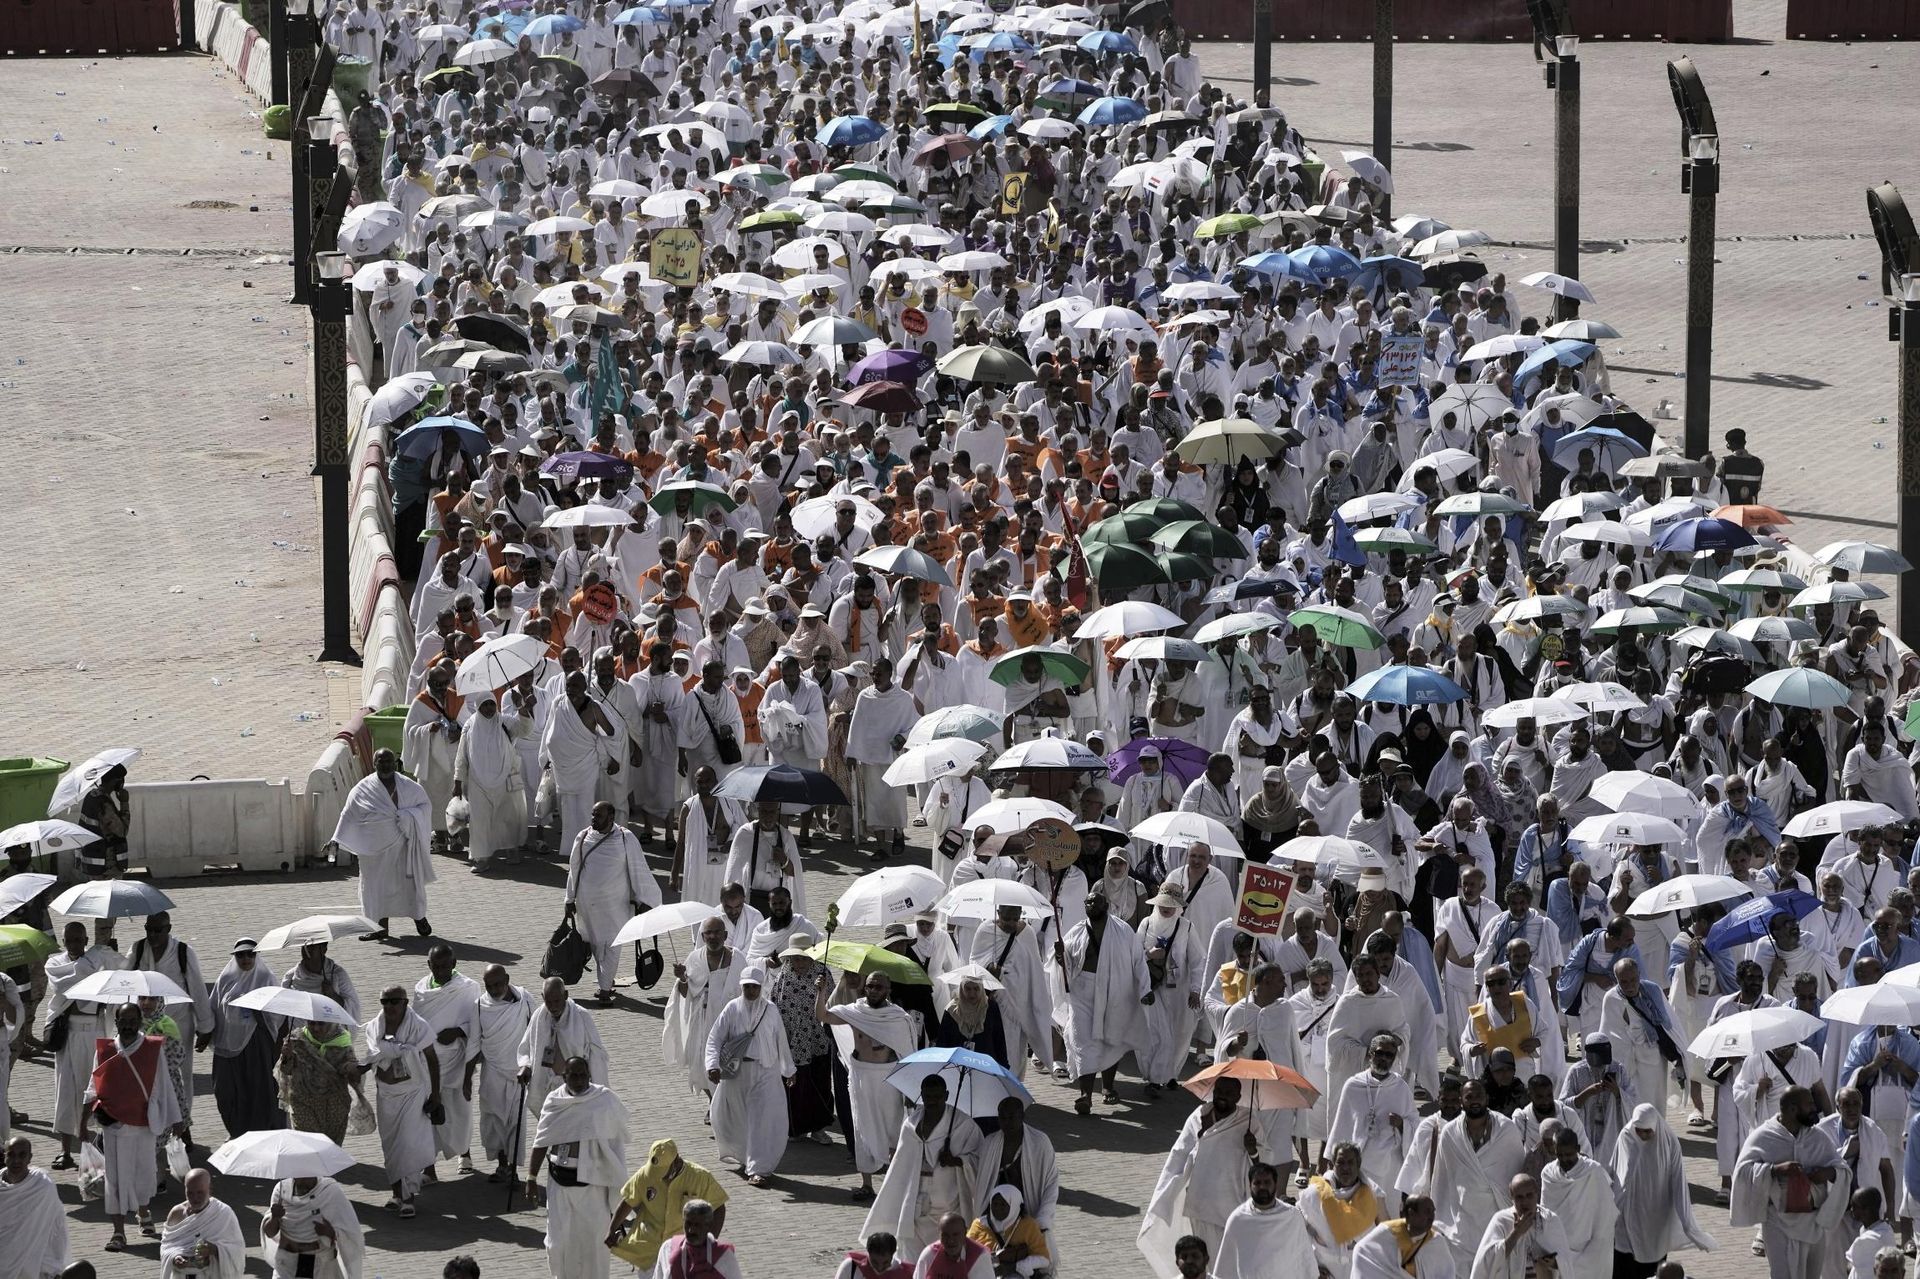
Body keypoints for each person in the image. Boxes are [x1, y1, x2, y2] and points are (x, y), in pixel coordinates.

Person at [1140, 1076, 1271, 1271]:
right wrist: (1204, 1136)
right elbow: (1180, 1154)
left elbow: (1263, 1167)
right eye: (1218, 1092)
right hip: (1201, 1203)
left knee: (1230, 1263)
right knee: (1206, 1261)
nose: (1222, 1097)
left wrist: (1252, 1150)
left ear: (1238, 1096)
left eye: (1228, 1093)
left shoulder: (1249, 1122)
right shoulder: (1199, 1116)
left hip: (1232, 1203)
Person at [83, 1001, 183, 1250]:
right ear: (115, 1022)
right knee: (115, 1178)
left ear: (140, 1022)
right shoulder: (105, 1049)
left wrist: (177, 1120)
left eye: (132, 1021)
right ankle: (118, 1232)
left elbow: (165, 1085)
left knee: (144, 1173)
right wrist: (81, 1123)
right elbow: (93, 1086)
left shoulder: (152, 1048)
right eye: (123, 1021)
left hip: (144, 1124)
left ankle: (143, 1211)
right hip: (114, 1125)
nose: (127, 1026)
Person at [528, 1055, 630, 1279]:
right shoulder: (555, 1101)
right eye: (573, 1075)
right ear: (564, 1077)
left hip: (592, 1183)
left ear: (589, 1075)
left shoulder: (603, 1100)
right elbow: (541, 1140)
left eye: (583, 1075)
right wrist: (531, 1178)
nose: (578, 1080)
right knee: (558, 1243)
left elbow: (615, 1143)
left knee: (594, 1241)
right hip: (558, 1183)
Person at [1733, 1087, 1852, 1279]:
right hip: (1779, 1222)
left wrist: (1829, 1173)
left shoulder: (1817, 1137)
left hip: (1814, 1223)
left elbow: (1842, 1169)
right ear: (1793, 1109)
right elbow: (1741, 1172)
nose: (1815, 1108)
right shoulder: (1764, 1136)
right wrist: (1774, 1170)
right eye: (1810, 1105)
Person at [817, 969, 915, 1200]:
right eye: (869, 986)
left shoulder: (898, 1018)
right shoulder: (855, 1011)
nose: (872, 990)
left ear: (888, 990)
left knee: (893, 1128)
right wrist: (820, 991)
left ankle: (894, 1184)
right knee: (863, 1128)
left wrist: (910, 1088)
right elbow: (823, 1016)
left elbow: (908, 1053)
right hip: (862, 1076)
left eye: (878, 987)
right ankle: (867, 1184)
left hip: (889, 1078)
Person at [864, 1074, 984, 1260]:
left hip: (948, 1209)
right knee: (912, 1261)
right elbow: (900, 1167)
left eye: (937, 1097)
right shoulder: (911, 1125)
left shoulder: (963, 1125)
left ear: (946, 1095)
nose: (932, 1102)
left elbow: (980, 1159)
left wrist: (958, 1161)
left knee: (945, 1260)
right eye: (928, 1097)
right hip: (915, 1207)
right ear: (921, 1095)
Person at [1061, 885, 1152, 1114]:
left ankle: (1109, 1087)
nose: (1092, 906)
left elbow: (1138, 962)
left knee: (1112, 1039)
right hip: (1082, 992)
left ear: (1107, 906)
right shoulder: (1076, 931)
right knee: (1083, 1041)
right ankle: (1085, 1095)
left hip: (1115, 991)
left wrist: (1145, 989)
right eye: (1088, 903)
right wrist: (1059, 956)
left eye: (1096, 903)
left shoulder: (1123, 931)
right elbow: (1067, 962)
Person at [42, 920, 123, 1169]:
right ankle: (65, 1151)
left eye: (80, 940)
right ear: (64, 942)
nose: (75, 944)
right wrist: (98, 957)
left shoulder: (99, 958)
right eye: (70, 940)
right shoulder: (55, 963)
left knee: (99, 1089)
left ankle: (100, 1147)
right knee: (66, 1090)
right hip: (69, 1032)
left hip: (96, 1030)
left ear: (86, 940)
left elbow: (122, 970)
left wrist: (107, 953)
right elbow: (68, 983)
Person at [331, 749, 436, 940]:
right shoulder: (362, 789)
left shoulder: (410, 787)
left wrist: (407, 818)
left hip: (404, 847)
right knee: (375, 888)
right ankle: (378, 927)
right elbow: (348, 814)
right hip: (374, 851)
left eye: (389, 761)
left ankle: (420, 919)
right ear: (374, 764)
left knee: (410, 886)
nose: (386, 765)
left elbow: (425, 806)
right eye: (381, 761)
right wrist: (335, 840)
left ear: (395, 763)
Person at [565, 801, 664, 1003]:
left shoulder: (625, 838)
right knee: (595, 944)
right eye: (592, 815)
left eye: (598, 816)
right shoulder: (583, 837)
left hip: (615, 905)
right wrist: (569, 899)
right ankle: (606, 982)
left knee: (612, 943)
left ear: (611, 818)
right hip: (588, 904)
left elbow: (638, 869)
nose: (594, 819)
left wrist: (643, 898)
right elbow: (573, 869)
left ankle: (604, 989)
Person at [705, 964, 794, 1187]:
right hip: (737, 1073)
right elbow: (715, 1038)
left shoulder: (771, 1010)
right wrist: (712, 1065)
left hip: (766, 1072)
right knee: (736, 1118)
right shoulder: (732, 1009)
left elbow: (781, 1042)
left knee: (761, 1120)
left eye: (755, 987)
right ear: (741, 987)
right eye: (747, 987)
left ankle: (759, 1169)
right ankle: (746, 1158)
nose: (751, 991)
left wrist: (789, 1070)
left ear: (761, 986)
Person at [1429, 1078, 1526, 1274]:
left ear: (1487, 1098)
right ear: (1461, 1101)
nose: (1475, 1101)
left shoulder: (1506, 1130)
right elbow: (1442, 1179)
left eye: (1479, 1096)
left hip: (1497, 1216)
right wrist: (1438, 1216)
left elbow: (1517, 1174)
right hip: (1462, 1222)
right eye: (1469, 1097)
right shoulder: (1449, 1133)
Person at [362, 984, 442, 1217]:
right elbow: (372, 1056)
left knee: (407, 1144)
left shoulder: (418, 1026)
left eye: (394, 1001)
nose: (389, 1006)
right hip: (386, 1094)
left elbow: (433, 1061)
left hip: (412, 1094)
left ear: (405, 1003)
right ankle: (397, 1194)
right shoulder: (375, 1027)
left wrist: (435, 1095)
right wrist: (358, 1069)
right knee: (392, 1146)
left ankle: (409, 1198)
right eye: (384, 1002)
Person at [1610, 1103, 1714, 1278]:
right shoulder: (1626, 1136)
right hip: (1627, 1215)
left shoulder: (1668, 1141)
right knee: (1624, 1266)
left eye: (1647, 1131)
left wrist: (1689, 1225)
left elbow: (1678, 1182)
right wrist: (1611, 1213)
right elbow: (1616, 1175)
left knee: (1653, 1266)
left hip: (1655, 1218)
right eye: (1639, 1130)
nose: (1642, 1135)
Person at [609, 1137, 730, 1273]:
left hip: (682, 1251)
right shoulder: (645, 1174)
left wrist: (708, 1245)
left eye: (664, 1172)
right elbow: (628, 1201)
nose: (659, 1177)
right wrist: (612, 1229)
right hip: (650, 1252)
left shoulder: (700, 1177)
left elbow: (719, 1207)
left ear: (677, 1161)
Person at [413, 944, 482, 1174]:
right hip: (427, 1061)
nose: (441, 970)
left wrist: (458, 1031)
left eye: (445, 965)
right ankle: (428, 1166)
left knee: (459, 1108)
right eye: (436, 966)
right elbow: (416, 1023)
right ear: (428, 964)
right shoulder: (421, 989)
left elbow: (477, 1021)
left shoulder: (469, 987)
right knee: (429, 1108)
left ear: (454, 964)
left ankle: (465, 1153)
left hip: (457, 1057)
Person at [207, 936, 283, 1140]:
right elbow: (213, 1008)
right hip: (227, 1044)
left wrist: (258, 1010)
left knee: (256, 1090)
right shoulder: (226, 979)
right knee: (225, 1092)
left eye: (250, 954)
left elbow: (278, 1013)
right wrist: (206, 1033)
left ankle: (258, 1133)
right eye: (241, 955)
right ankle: (236, 1130)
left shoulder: (265, 978)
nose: (246, 959)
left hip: (255, 1043)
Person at [970, 1098, 1060, 1267]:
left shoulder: (1040, 1142)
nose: (1007, 1122)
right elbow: (982, 1180)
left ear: (1022, 1116)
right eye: (1002, 1117)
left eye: (1012, 1117)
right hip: (996, 1216)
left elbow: (1050, 1183)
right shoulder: (990, 1142)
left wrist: (1043, 1218)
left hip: (1027, 1215)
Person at [453, 692, 532, 871]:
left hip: (505, 778)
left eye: (491, 704)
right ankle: (481, 858)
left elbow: (525, 730)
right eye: (485, 705)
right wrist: (458, 781)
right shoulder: (470, 725)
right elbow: (462, 756)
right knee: (479, 821)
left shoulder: (505, 721)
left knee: (508, 818)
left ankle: (511, 850)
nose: (489, 709)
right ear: (479, 706)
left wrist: (523, 708)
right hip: (477, 782)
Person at [470, 964, 534, 1183]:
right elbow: (474, 1044)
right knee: (494, 1121)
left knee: (516, 1123)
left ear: (507, 979)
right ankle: (501, 1165)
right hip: (493, 1072)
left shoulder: (524, 999)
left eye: (498, 984)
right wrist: (466, 1079)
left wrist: (532, 1065)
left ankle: (513, 1170)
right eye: (489, 986)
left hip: (519, 1072)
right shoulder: (479, 1006)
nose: (494, 989)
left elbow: (537, 1031)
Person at [1298, 1141, 1386, 1278]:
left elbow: (1386, 1232)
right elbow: (1299, 1234)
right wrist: (1312, 1268)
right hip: (1325, 1270)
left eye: (1351, 1162)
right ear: (1332, 1165)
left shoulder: (1374, 1194)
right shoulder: (1313, 1194)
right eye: (1340, 1162)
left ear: (1359, 1165)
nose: (1346, 1167)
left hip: (1362, 1268)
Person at [517, 976, 609, 1105]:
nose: (553, 1006)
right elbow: (526, 1046)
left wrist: (597, 1089)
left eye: (557, 1001)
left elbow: (596, 1055)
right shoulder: (539, 1017)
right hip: (547, 1086)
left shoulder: (582, 1016)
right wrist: (525, 1065)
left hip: (576, 1087)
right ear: (543, 997)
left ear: (565, 995)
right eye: (549, 1002)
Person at [261, 1169, 365, 1279]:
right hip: (286, 1262)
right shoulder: (281, 1190)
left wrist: (329, 1231)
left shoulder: (329, 1191)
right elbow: (270, 1232)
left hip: (317, 1262)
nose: (302, 1180)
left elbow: (351, 1232)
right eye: (298, 1176)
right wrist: (275, 1217)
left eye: (306, 1176)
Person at [1536, 1126, 1610, 1279]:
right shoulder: (1548, 1174)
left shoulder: (1594, 1172)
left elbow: (1605, 1217)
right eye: (1560, 1155)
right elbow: (1546, 1215)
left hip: (1589, 1249)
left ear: (1578, 1148)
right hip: (1558, 1249)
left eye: (1569, 1154)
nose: (1564, 1160)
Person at [276, 1015, 362, 1144]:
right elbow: (286, 1070)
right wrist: (287, 1056)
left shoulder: (341, 1041)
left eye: (321, 1024)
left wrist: (352, 1068)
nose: (316, 1028)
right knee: (309, 1147)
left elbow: (349, 1067)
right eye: (312, 1023)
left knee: (331, 1151)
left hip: (334, 1106)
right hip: (303, 1103)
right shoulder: (296, 1039)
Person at [1468, 1173, 1568, 1279]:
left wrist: (1554, 1263)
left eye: (1529, 1195)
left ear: (1536, 1194)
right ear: (1512, 1198)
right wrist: (1516, 1233)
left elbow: (1566, 1262)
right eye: (1519, 1197)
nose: (1524, 1202)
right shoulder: (1501, 1220)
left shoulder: (1550, 1220)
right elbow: (1486, 1262)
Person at [157, 1169, 247, 1279]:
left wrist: (214, 1249)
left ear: (209, 1189)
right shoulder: (176, 1213)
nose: (195, 1198)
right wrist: (175, 1257)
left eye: (200, 1192)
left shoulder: (224, 1213)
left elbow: (238, 1250)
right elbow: (166, 1246)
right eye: (190, 1193)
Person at [0, 1137, 69, 1279]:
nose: (16, 1160)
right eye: (11, 1154)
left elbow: (56, 1227)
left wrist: (53, 1263)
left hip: (33, 1262)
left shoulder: (42, 1185)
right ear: (4, 1156)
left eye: (22, 1155)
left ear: (30, 1158)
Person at [966, 1183, 1051, 1277]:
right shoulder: (979, 1224)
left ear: (1014, 1205)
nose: (998, 1209)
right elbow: (965, 1250)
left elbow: (1044, 1259)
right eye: (995, 1204)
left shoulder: (1028, 1225)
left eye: (1003, 1205)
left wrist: (1014, 1267)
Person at [649, 1199, 743, 1279]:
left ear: (709, 1225)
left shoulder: (723, 1255)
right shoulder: (668, 1248)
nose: (691, 1230)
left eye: (697, 1225)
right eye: (688, 1223)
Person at [914, 1211, 993, 1279]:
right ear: (939, 1234)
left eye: (956, 1235)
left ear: (965, 1232)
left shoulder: (980, 1256)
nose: (950, 1241)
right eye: (945, 1235)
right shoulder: (930, 1254)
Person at [836, 1232, 913, 1279]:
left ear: (893, 1255)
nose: (880, 1268)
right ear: (868, 1253)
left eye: (885, 1263)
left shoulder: (905, 1273)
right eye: (874, 1262)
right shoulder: (851, 1267)